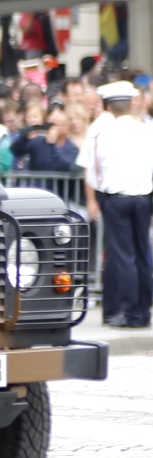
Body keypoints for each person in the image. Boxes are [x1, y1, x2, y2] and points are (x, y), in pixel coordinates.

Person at [78, 80, 153, 328]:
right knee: (141, 254)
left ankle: (127, 311)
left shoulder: (100, 131)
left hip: (117, 198)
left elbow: (91, 171)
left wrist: (97, 196)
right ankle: (142, 311)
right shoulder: (146, 129)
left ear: (108, 106)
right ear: (131, 104)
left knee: (122, 256)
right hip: (143, 197)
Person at [10, 104, 79, 171]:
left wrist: (53, 146)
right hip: (37, 179)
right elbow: (15, 150)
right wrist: (25, 137)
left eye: (54, 124)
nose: (51, 128)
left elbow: (66, 166)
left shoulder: (72, 148)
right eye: (49, 124)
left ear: (65, 128)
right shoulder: (38, 142)